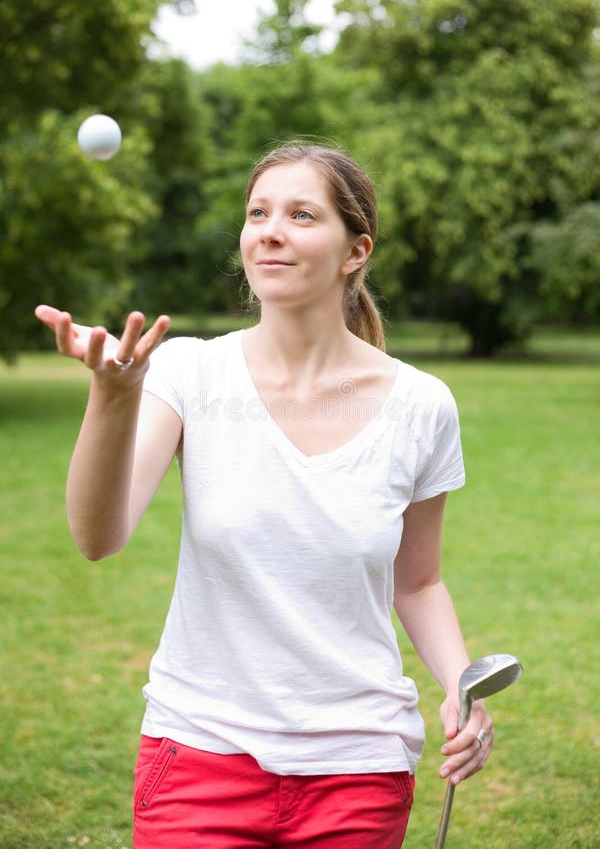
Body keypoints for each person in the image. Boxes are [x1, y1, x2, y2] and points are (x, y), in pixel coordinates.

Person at [35, 142, 494, 849]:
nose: (269, 230)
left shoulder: (421, 405)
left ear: (355, 251)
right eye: (258, 213)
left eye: (301, 214)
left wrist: (462, 689)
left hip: (359, 768)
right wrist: (112, 396)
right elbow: (98, 537)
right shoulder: (189, 372)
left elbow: (420, 579)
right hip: (198, 757)